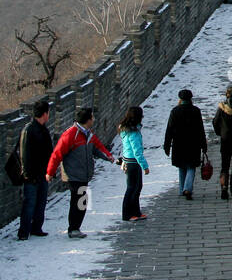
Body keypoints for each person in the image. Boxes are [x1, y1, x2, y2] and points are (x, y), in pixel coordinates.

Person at [46, 108, 115, 238]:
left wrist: (109, 157)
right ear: (87, 120)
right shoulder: (71, 135)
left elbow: (97, 147)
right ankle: (73, 228)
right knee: (78, 199)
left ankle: (76, 227)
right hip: (73, 174)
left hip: (85, 173)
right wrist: (50, 172)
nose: (94, 120)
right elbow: (57, 154)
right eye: (92, 118)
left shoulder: (88, 134)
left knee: (83, 200)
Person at [17, 100, 54, 241]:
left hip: (43, 173)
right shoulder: (29, 129)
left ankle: (37, 228)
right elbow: (24, 154)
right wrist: (27, 174)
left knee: (41, 202)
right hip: (31, 175)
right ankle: (23, 232)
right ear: (45, 114)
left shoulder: (44, 129)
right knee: (30, 203)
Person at [164, 89, 206, 200]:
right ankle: (187, 188)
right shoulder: (195, 111)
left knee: (181, 166)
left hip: (179, 144)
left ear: (180, 99)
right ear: (190, 99)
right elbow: (200, 129)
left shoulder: (175, 111)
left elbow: (169, 130)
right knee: (191, 167)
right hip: (193, 144)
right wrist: (203, 145)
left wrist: (167, 145)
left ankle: (182, 189)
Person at [117, 106, 150, 221]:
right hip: (133, 162)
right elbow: (137, 151)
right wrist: (145, 166)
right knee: (132, 188)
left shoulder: (125, 129)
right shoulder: (133, 132)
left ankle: (136, 212)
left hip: (128, 161)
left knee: (136, 187)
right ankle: (127, 214)